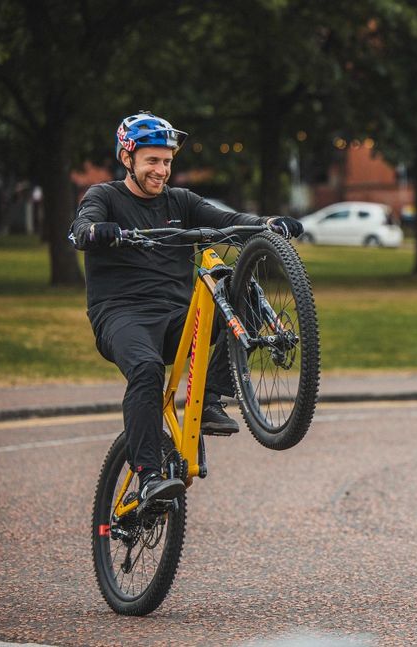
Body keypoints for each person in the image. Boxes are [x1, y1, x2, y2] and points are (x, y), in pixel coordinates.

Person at [69, 111, 303, 511]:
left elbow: (229, 221)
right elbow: (82, 228)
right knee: (145, 370)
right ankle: (147, 478)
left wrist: (267, 223)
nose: (161, 170)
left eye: (167, 161)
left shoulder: (181, 201)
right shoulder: (104, 197)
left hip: (178, 317)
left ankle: (211, 398)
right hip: (122, 315)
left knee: (238, 290)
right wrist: (97, 232)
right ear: (128, 158)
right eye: (152, 161)